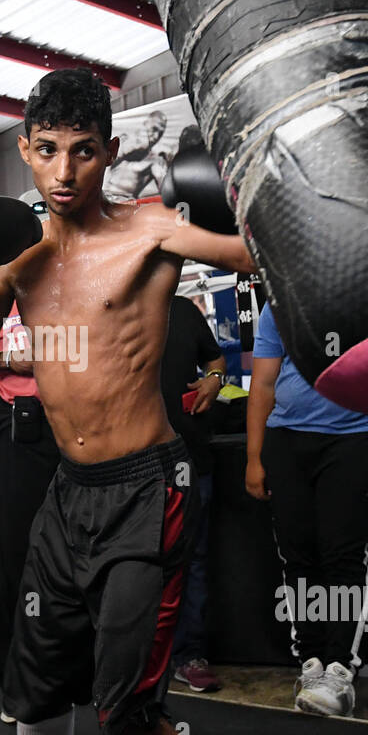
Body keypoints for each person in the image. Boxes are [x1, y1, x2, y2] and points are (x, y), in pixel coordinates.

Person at [0, 67, 254, 735]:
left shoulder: (152, 229)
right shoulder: (20, 258)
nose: (64, 170)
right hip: (66, 495)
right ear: (23, 149)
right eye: (47, 149)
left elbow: (253, 257)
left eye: (83, 150)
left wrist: (245, 190)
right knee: (36, 682)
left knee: (129, 708)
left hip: (147, 491)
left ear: (110, 152)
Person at [245, 302, 368, 717]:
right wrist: (254, 457)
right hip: (287, 440)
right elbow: (264, 383)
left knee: (342, 555)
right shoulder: (279, 306)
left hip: (357, 438)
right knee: (298, 556)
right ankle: (312, 662)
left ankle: (340, 668)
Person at [0, 299, 60, 725]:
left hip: (81, 425)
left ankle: (88, 679)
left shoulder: (69, 285)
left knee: (83, 556)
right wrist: (11, 360)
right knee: (16, 558)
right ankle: (16, 685)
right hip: (22, 429)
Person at [162, 295, 226, 693]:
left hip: (188, 455)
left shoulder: (183, 310)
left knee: (193, 558)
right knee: (134, 560)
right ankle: (140, 656)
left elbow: (216, 360)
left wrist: (214, 380)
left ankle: (190, 656)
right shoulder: (112, 306)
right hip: (129, 457)